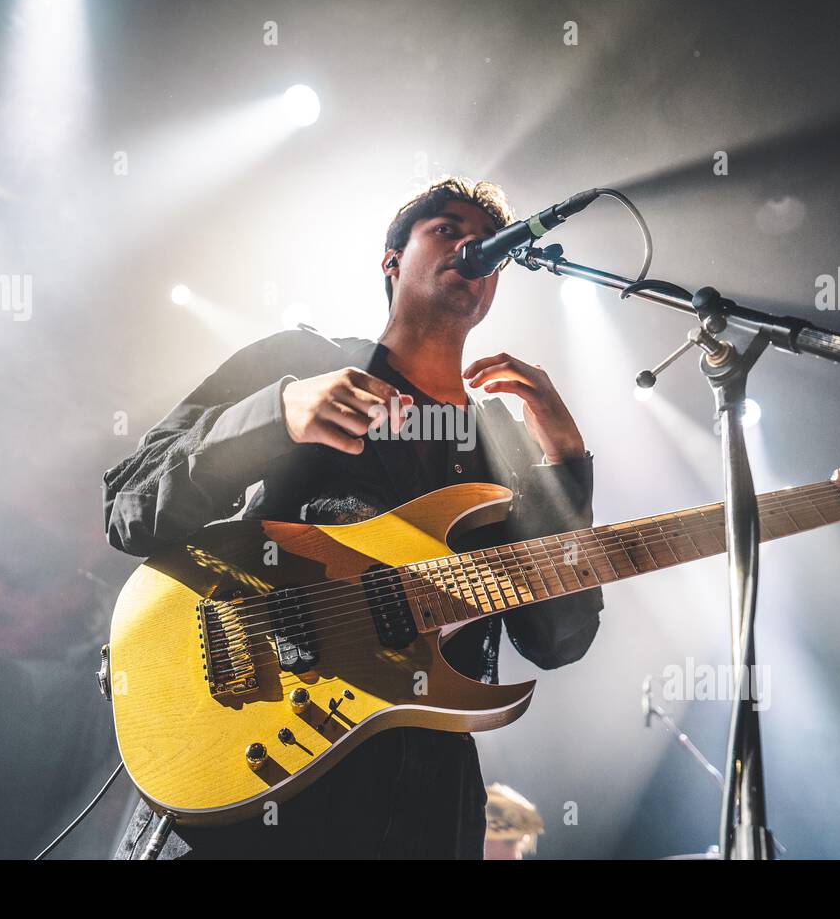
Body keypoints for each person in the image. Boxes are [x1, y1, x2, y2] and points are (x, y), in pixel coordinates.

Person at [102, 176, 604, 859]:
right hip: (261, 761)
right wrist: (274, 414)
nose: (471, 250)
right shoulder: (304, 363)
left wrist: (566, 469)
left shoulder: (501, 444)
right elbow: (130, 507)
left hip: (426, 800)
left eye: (487, 245)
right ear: (393, 261)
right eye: (447, 231)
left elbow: (556, 640)